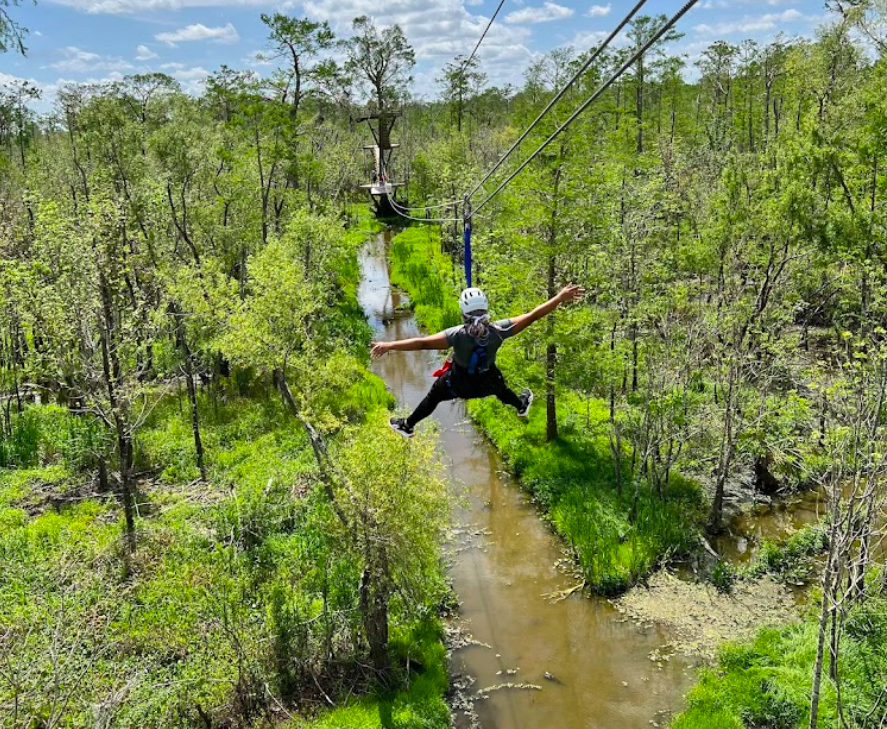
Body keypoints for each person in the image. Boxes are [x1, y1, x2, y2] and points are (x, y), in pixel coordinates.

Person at [371, 284, 585, 437]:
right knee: (499, 385)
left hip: (458, 386)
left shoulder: (456, 334)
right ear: (486, 308)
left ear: (463, 312)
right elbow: (532, 316)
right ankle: (520, 405)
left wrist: (389, 346)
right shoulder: (500, 330)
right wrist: (558, 298)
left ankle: (408, 425)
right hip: (487, 384)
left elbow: (422, 344)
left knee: (435, 394)